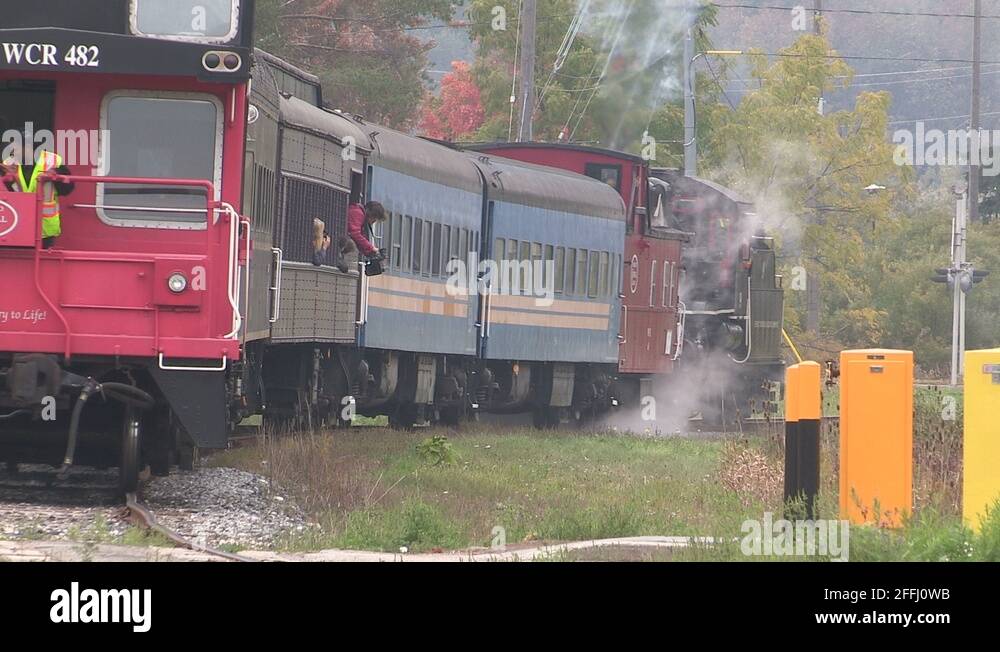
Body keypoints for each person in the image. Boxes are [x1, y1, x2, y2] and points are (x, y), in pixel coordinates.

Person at [1, 137, 74, 249]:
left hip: (44, 229)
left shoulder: (52, 161)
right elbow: (6, 198)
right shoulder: (9, 163)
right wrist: (9, 179)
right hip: (17, 226)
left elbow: (68, 189)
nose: (13, 151)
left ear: (28, 147)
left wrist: (55, 175)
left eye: (16, 147)